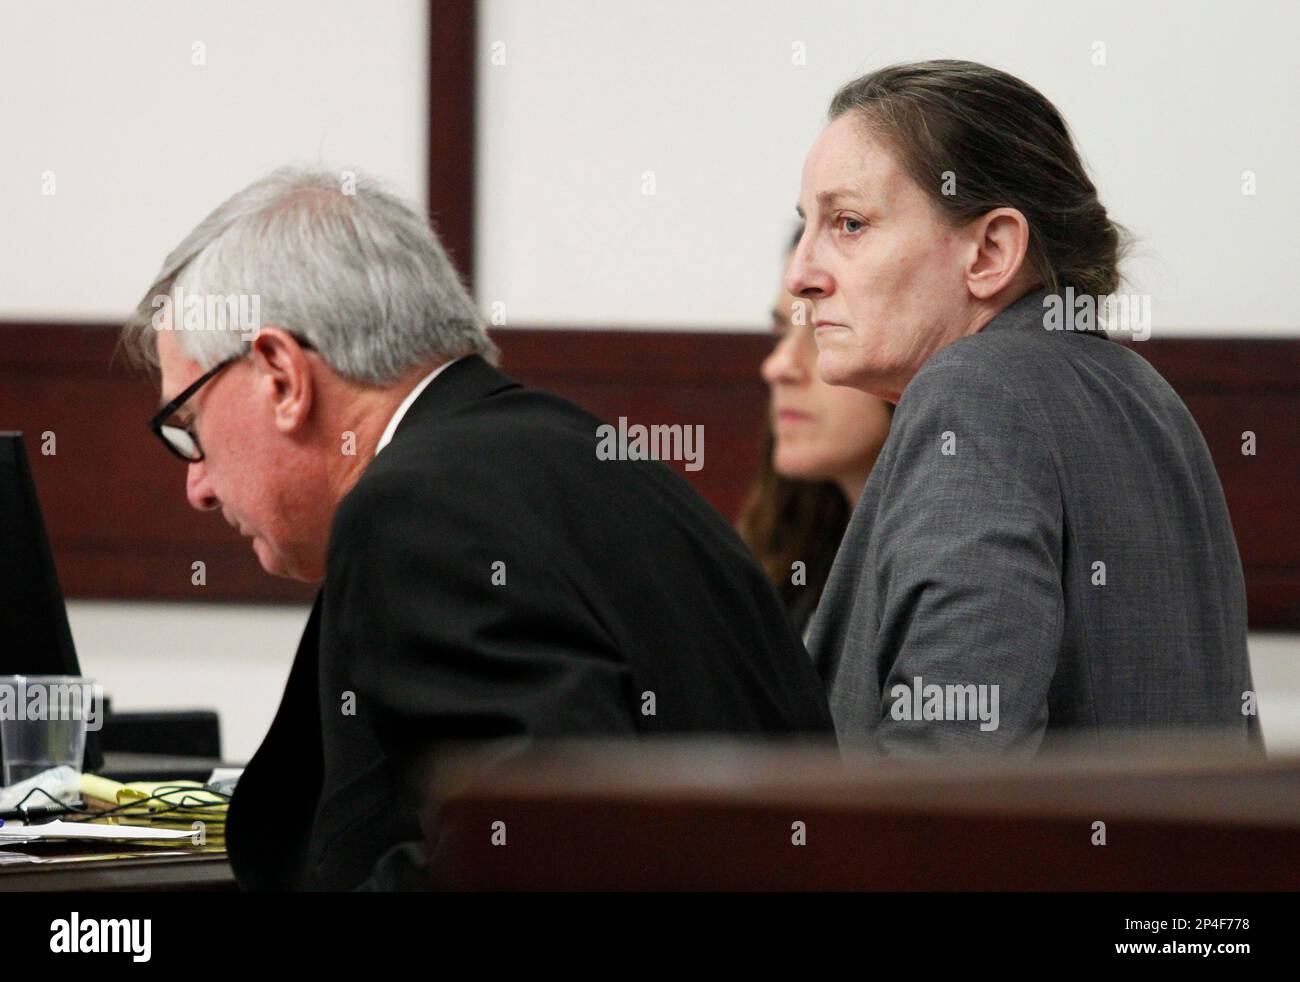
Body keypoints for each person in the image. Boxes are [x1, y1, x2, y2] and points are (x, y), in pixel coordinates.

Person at [119, 167, 835, 890]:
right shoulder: (596, 463)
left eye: (189, 427)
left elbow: (532, 857)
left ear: (281, 376)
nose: (197, 486)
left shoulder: (419, 510)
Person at [787, 60, 1259, 755]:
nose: (802, 274)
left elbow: (951, 764)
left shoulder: (976, 392)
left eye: (849, 223)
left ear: (992, 251)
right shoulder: (1150, 397)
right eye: (808, 226)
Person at [738, 230, 893, 634]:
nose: (778, 367)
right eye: (781, 332)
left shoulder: (943, 575)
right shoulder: (792, 564)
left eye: (823, 328)